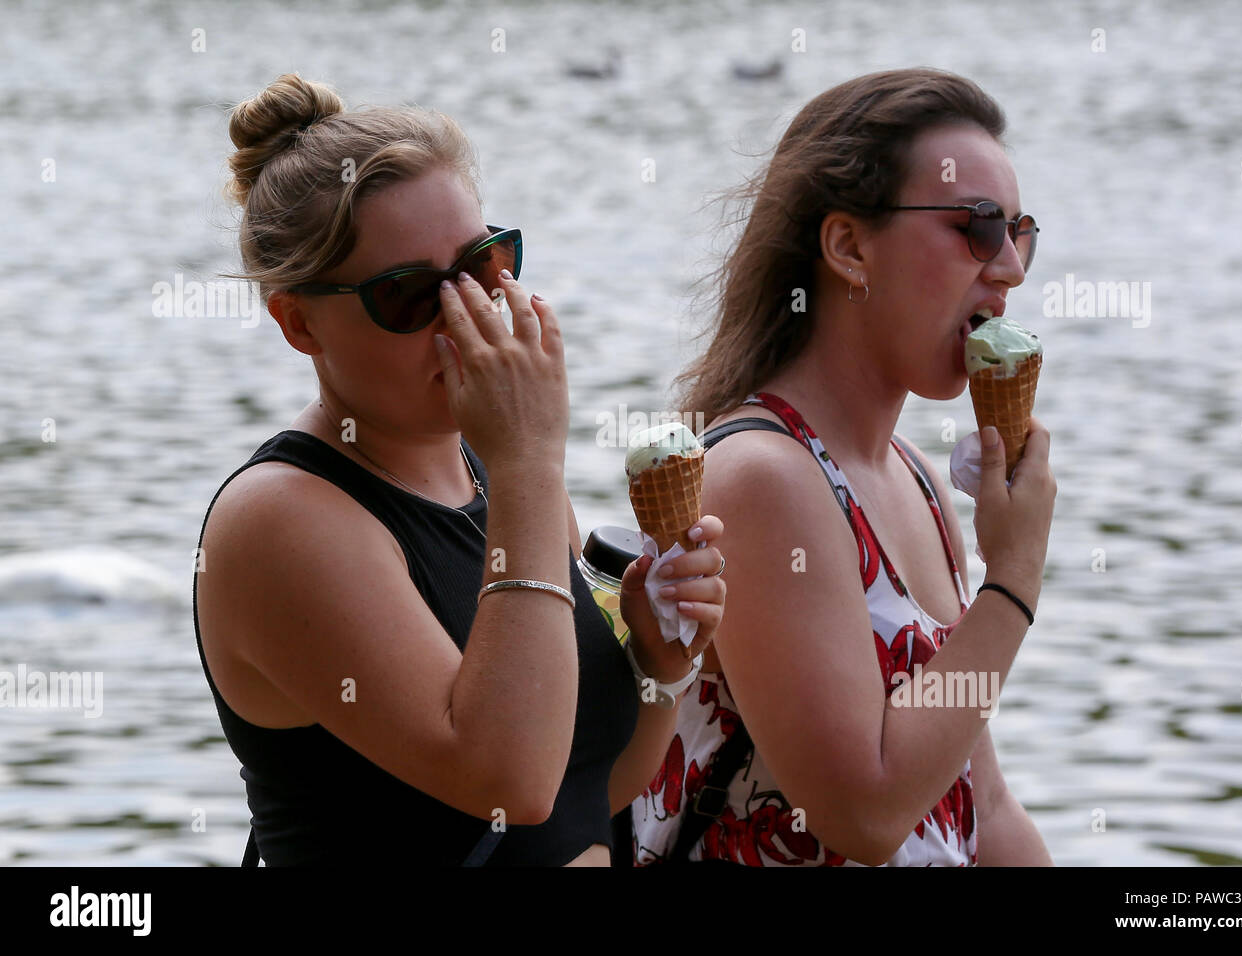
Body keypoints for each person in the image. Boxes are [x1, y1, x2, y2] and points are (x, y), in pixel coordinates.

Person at [192, 74, 726, 866]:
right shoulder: (282, 519)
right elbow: (507, 783)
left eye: (481, 265)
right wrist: (531, 463)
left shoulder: (497, 477)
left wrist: (657, 660)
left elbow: (591, 790)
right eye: (407, 295)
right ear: (300, 323)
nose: (462, 314)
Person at [631, 68, 1056, 866]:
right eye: (979, 225)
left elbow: (983, 804)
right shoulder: (762, 479)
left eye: (1020, 231)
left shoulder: (917, 481)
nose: (1010, 268)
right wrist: (1016, 577)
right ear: (850, 246)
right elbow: (863, 811)